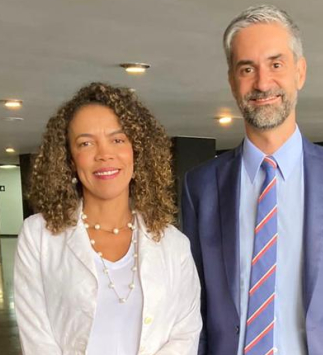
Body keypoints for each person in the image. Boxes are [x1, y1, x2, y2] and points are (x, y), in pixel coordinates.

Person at [182, 5, 323, 355]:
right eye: (247, 69)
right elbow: (192, 309)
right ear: (232, 82)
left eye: (276, 65)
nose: (262, 83)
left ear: (300, 72)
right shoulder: (200, 186)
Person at [14, 82, 201, 355]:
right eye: (86, 143)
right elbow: (37, 339)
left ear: (137, 150)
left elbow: (185, 332)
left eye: (118, 140)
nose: (104, 154)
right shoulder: (38, 236)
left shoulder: (174, 244)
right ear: (69, 160)